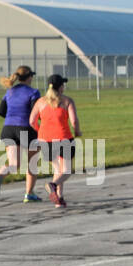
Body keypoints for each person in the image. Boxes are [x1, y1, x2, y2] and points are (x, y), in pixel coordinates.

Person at [28, 74, 80, 208]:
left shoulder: (40, 102)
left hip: (45, 140)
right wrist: (77, 131)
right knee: (66, 171)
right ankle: (53, 185)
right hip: (64, 138)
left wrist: (40, 131)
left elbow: (32, 121)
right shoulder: (67, 101)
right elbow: (73, 120)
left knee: (58, 169)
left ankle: (59, 198)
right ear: (61, 87)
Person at [0, 65, 42, 201]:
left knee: (14, 164)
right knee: (32, 163)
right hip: (26, 128)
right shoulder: (33, 92)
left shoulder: (9, 92)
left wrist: (13, 119)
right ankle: (29, 194)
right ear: (29, 77)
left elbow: (1, 111)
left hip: (8, 128)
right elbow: (35, 112)